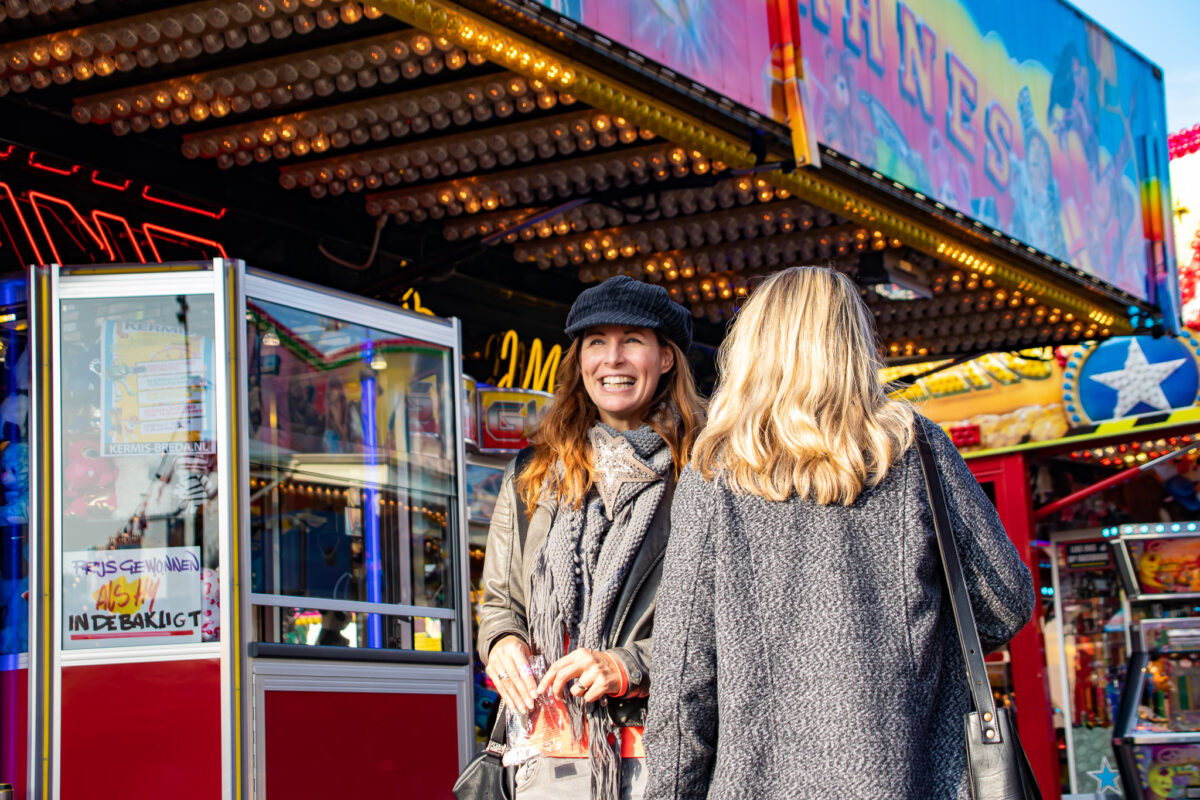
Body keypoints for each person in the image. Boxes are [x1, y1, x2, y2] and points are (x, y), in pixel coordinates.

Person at [644, 267, 1035, 800]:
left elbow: (683, 674)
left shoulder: (713, 472)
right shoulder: (917, 449)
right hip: (912, 776)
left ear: (751, 347)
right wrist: (911, 654)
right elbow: (1006, 603)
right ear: (854, 344)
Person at [477, 276, 704, 800]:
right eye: (597, 341)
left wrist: (627, 664)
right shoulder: (531, 473)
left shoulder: (706, 471)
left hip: (660, 757)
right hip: (545, 758)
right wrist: (503, 642)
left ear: (666, 358)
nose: (613, 358)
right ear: (579, 359)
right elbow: (501, 603)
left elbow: (727, 622)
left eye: (632, 340)